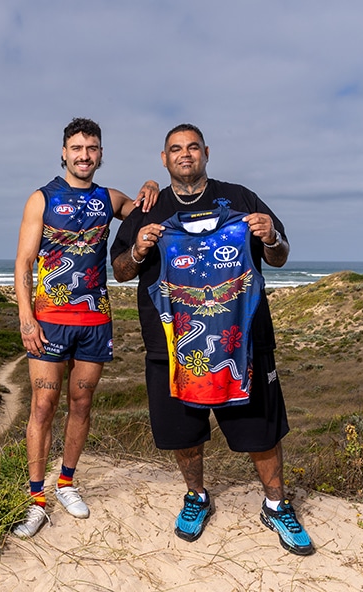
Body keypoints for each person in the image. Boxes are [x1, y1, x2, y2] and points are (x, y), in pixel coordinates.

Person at [109, 123, 314, 555]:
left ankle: (276, 504)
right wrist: (140, 250)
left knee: (261, 430)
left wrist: (271, 237)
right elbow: (121, 270)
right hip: (171, 347)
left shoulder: (240, 201)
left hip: (245, 344)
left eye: (193, 147)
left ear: (206, 153)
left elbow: (279, 256)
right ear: (164, 159)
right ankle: (196, 496)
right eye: (176, 149)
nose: (185, 155)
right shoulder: (148, 210)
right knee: (184, 432)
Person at [12, 117, 158, 538]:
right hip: (49, 322)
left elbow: (150, 214)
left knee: (81, 405)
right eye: (76, 148)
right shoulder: (42, 199)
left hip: (95, 320)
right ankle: (36, 497)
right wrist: (26, 318)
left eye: (91, 148)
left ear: (100, 154)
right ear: (63, 152)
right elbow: (23, 263)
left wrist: (149, 184)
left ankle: (66, 483)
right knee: (42, 407)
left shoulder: (108, 198)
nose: (84, 155)